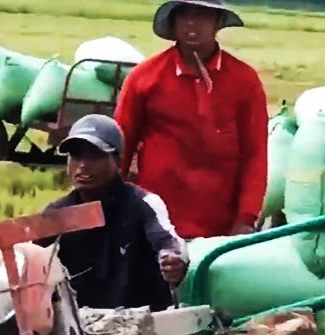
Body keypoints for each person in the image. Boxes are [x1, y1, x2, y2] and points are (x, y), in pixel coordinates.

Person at [113, 0, 268, 240]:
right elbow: (120, 145)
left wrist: (246, 218)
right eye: (184, 15)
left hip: (221, 223)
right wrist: (112, 204)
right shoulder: (144, 78)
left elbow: (255, 154)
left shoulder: (245, 81)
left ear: (218, 23)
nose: (192, 23)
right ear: (173, 23)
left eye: (203, 15)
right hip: (154, 217)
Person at [43, 115, 189, 312]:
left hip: (142, 322)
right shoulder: (58, 214)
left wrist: (173, 260)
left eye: (95, 155)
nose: (83, 165)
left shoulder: (142, 204)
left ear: (118, 160)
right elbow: (28, 257)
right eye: (76, 155)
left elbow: (168, 242)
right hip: (83, 326)